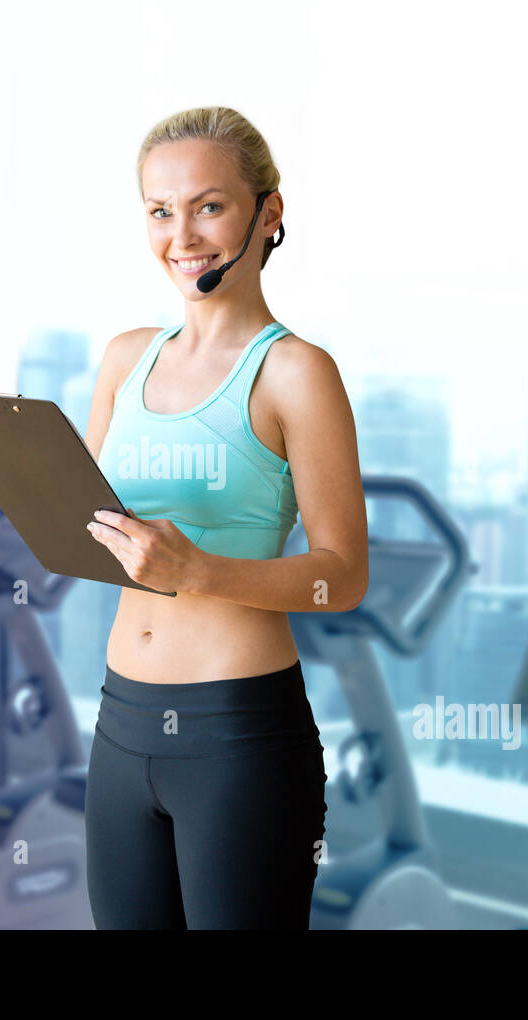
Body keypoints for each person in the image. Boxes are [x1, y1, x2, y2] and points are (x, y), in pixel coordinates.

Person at [79, 106, 369, 930]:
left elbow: (343, 576)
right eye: (160, 211)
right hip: (119, 726)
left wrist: (198, 571)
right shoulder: (124, 358)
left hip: (237, 738)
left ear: (267, 214)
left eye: (208, 206)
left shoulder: (294, 373)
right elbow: (91, 527)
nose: (183, 235)